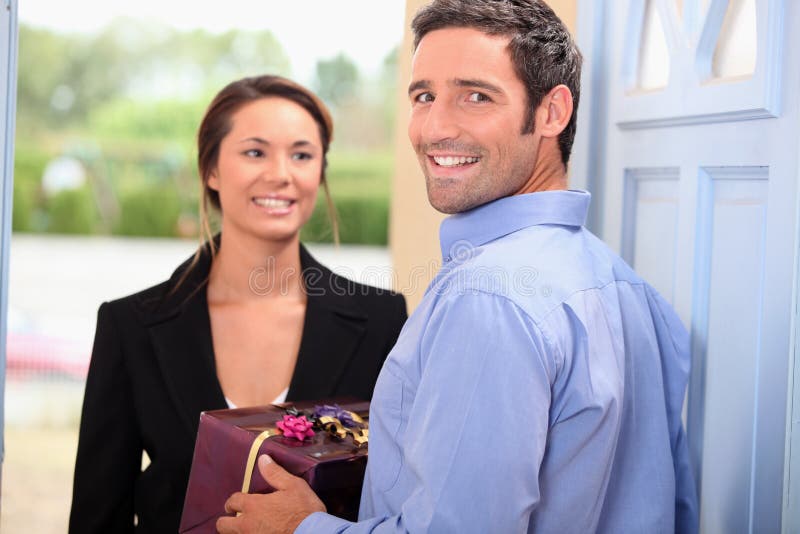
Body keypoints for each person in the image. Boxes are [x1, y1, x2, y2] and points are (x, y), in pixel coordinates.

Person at [218, 1, 699, 532]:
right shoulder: (629, 287)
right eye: (424, 96)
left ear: (552, 112)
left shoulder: (487, 298)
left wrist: (299, 527)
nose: (435, 127)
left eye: (476, 96)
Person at [68, 75, 408, 534]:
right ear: (210, 169)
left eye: (302, 155)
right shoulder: (131, 326)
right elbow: (96, 517)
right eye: (255, 152)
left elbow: (398, 502)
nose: (281, 174)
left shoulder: (381, 321)